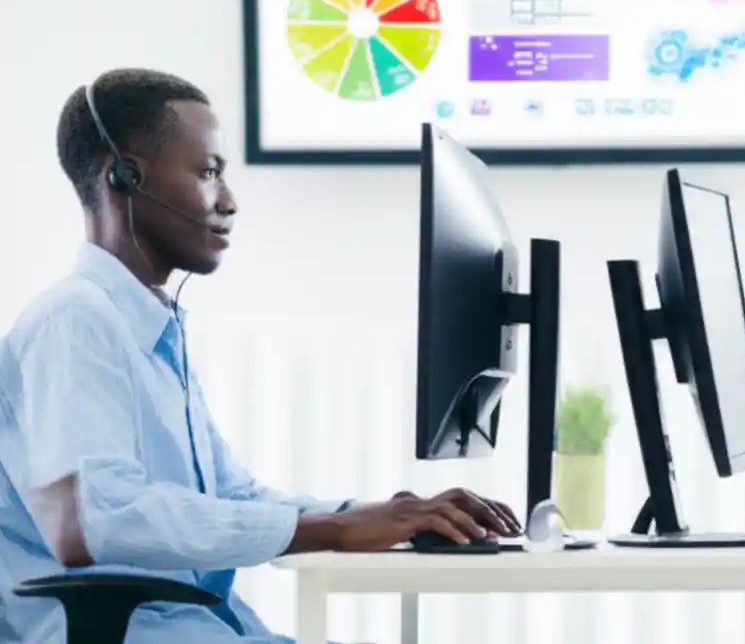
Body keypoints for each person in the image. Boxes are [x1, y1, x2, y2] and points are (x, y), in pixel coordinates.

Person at [0, 68, 522, 643]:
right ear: (124, 176)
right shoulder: (75, 322)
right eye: (208, 173)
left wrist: (372, 512)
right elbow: (97, 519)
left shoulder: (148, 328)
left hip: (194, 626)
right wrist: (332, 530)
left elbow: (233, 496)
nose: (228, 201)